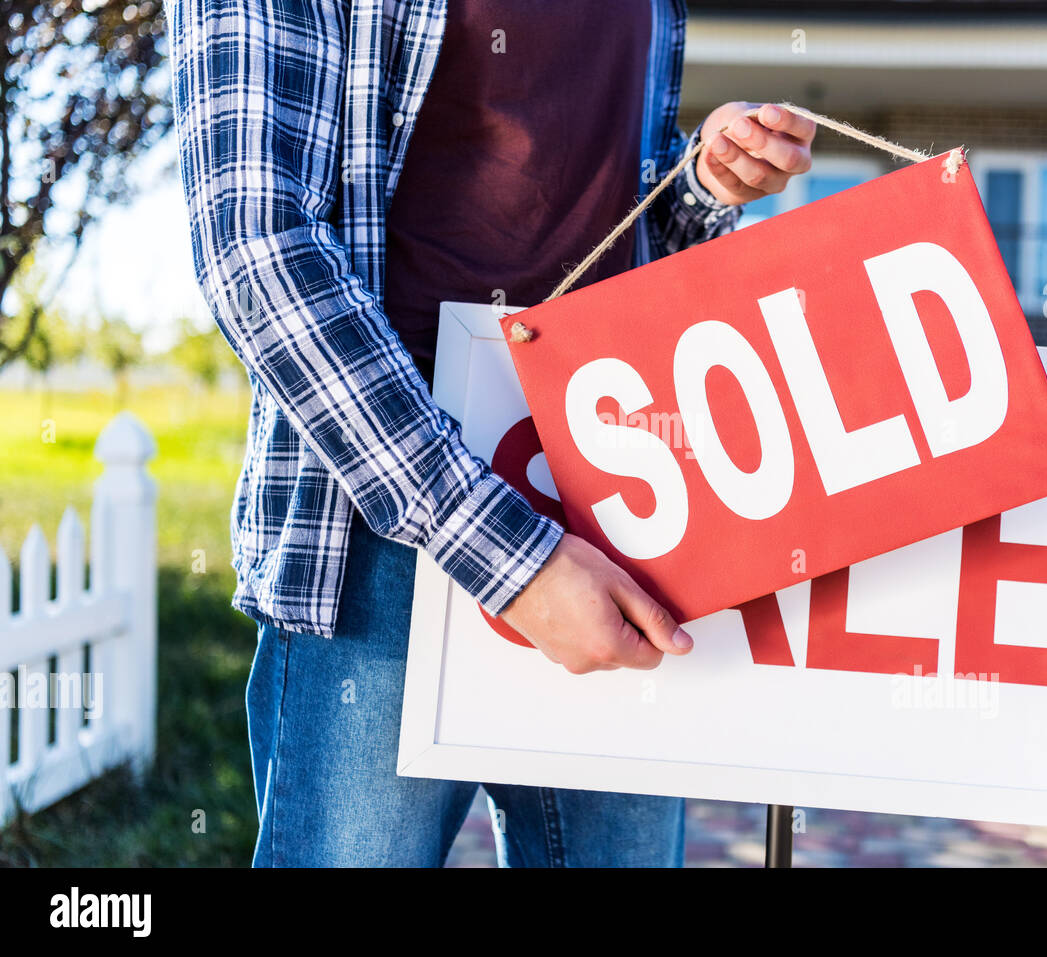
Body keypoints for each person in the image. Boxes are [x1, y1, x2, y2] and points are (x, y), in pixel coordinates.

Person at [169, 0, 815, 867]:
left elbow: (610, 230)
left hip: (621, 505)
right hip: (377, 534)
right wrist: (513, 555)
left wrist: (698, 185)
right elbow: (257, 248)